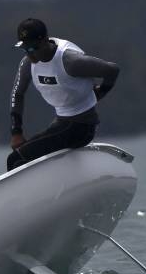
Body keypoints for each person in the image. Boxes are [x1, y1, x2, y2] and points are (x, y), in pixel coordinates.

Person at [7, 18, 120, 171]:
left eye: (33, 48)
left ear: (45, 41)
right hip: (61, 124)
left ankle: (21, 195)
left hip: (82, 127)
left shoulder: (70, 61)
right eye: (25, 48)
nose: (29, 54)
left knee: (16, 159)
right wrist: (16, 132)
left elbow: (112, 70)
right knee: (21, 154)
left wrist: (100, 93)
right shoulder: (27, 63)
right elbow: (17, 94)